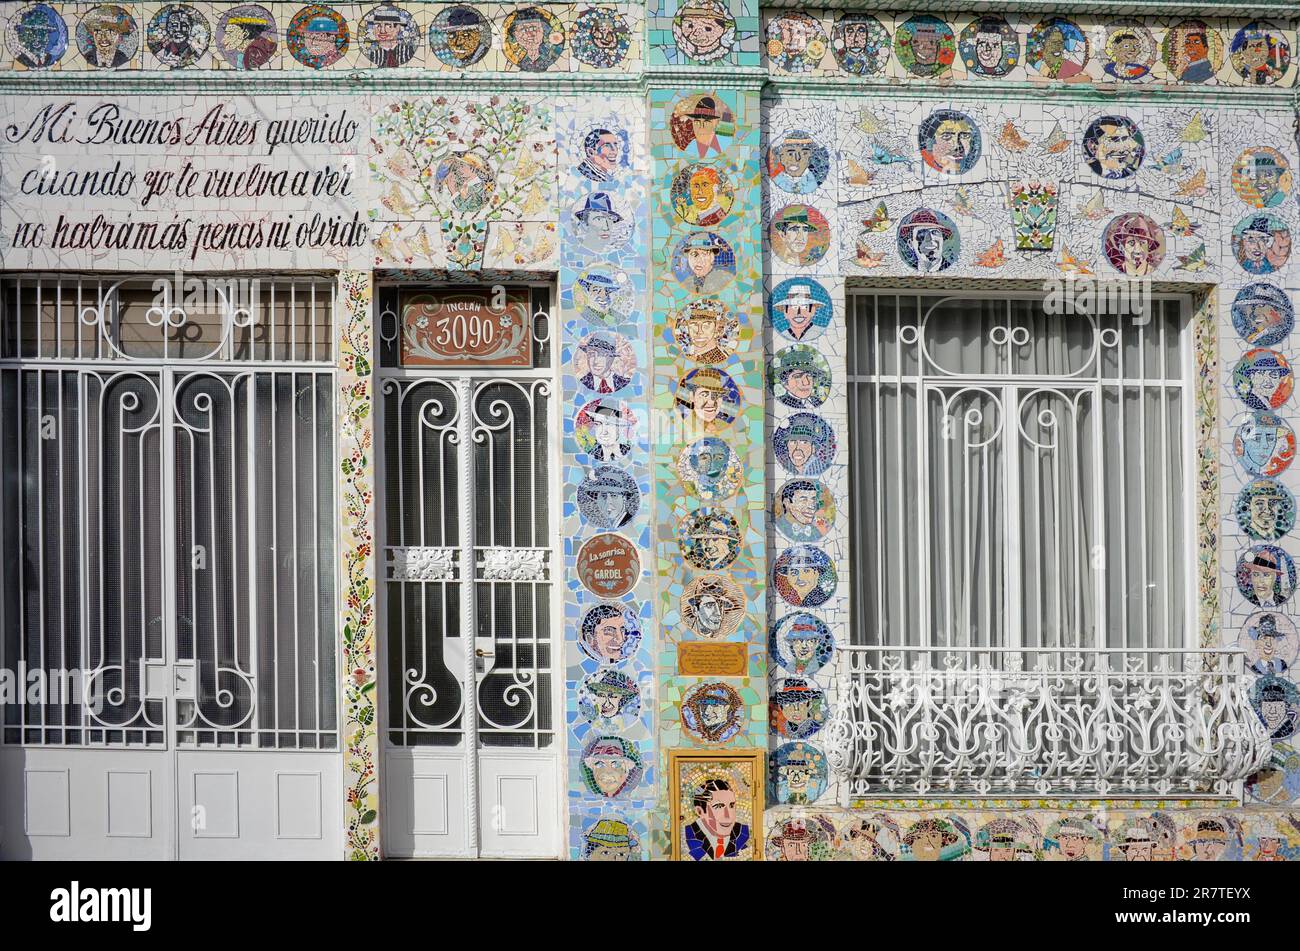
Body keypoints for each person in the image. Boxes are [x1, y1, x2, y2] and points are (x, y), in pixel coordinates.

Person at [684, 779, 750, 860]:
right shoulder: (688, 838)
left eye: (731, 805)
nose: (728, 816)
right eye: (718, 806)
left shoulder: (743, 835)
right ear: (700, 811)